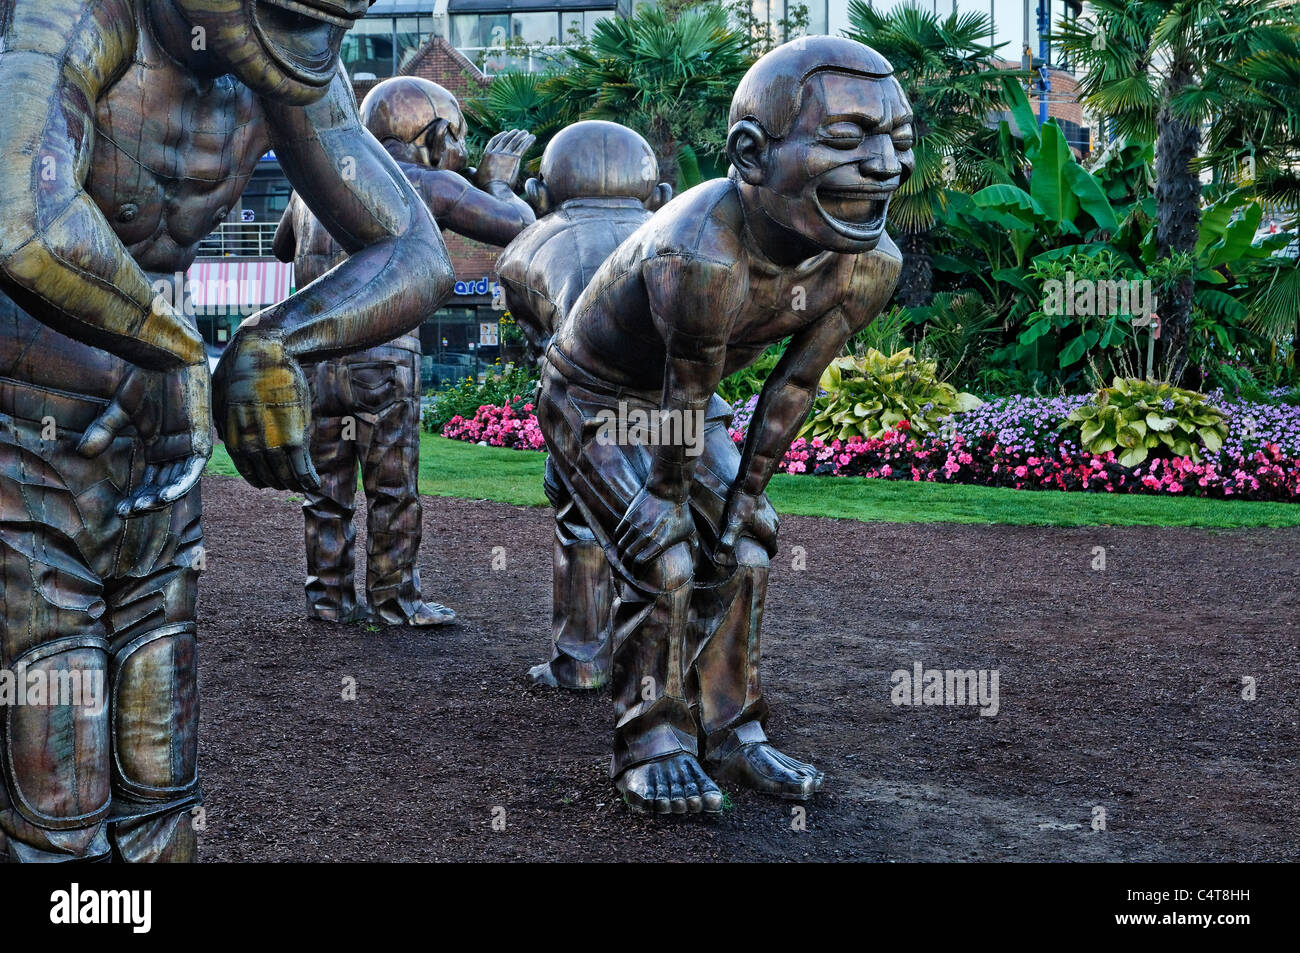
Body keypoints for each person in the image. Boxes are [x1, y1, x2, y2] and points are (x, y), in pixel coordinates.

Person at [0, 0, 452, 861]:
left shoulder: (279, 52)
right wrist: (186, 357)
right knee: (53, 786)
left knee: (159, 763)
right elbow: (22, 216)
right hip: (24, 437)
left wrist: (276, 339)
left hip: (158, 454)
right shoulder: (75, 17)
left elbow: (414, 249)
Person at [536, 37, 913, 814]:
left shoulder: (868, 262)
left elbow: (792, 385)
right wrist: (665, 500)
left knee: (748, 542)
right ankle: (653, 738)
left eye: (898, 142)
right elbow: (678, 405)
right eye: (846, 140)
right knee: (664, 553)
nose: (884, 165)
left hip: (687, 400)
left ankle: (733, 727)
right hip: (592, 394)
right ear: (751, 152)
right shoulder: (702, 251)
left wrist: (747, 495)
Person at [275, 77, 535, 627]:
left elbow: (281, 247)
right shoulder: (425, 182)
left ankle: (328, 597)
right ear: (436, 138)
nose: (462, 153)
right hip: (385, 359)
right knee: (392, 488)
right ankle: (395, 600)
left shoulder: (314, 185)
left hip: (315, 363)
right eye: (460, 140)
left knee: (325, 489)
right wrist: (497, 183)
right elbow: (519, 227)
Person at [496, 120, 672, 689]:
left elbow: (541, 343)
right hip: (679, 400)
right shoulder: (681, 231)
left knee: (581, 521)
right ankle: (691, 676)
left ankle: (583, 660)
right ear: (659, 193)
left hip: (584, 403)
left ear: (539, 196)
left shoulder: (527, 244)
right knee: (688, 526)